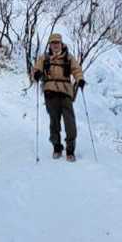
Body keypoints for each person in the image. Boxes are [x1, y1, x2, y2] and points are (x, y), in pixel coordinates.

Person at [31, 32, 84, 161]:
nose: (55, 45)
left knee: (70, 123)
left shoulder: (68, 58)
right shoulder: (44, 58)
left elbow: (76, 70)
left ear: (61, 43)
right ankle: (57, 147)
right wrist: (36, 74)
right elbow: (35, 69)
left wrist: (80, 79)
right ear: (50, 44)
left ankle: (70, 150)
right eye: (53, 43)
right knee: (54, 122)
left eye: (57, 42)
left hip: (65, 93)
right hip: (50, 93)